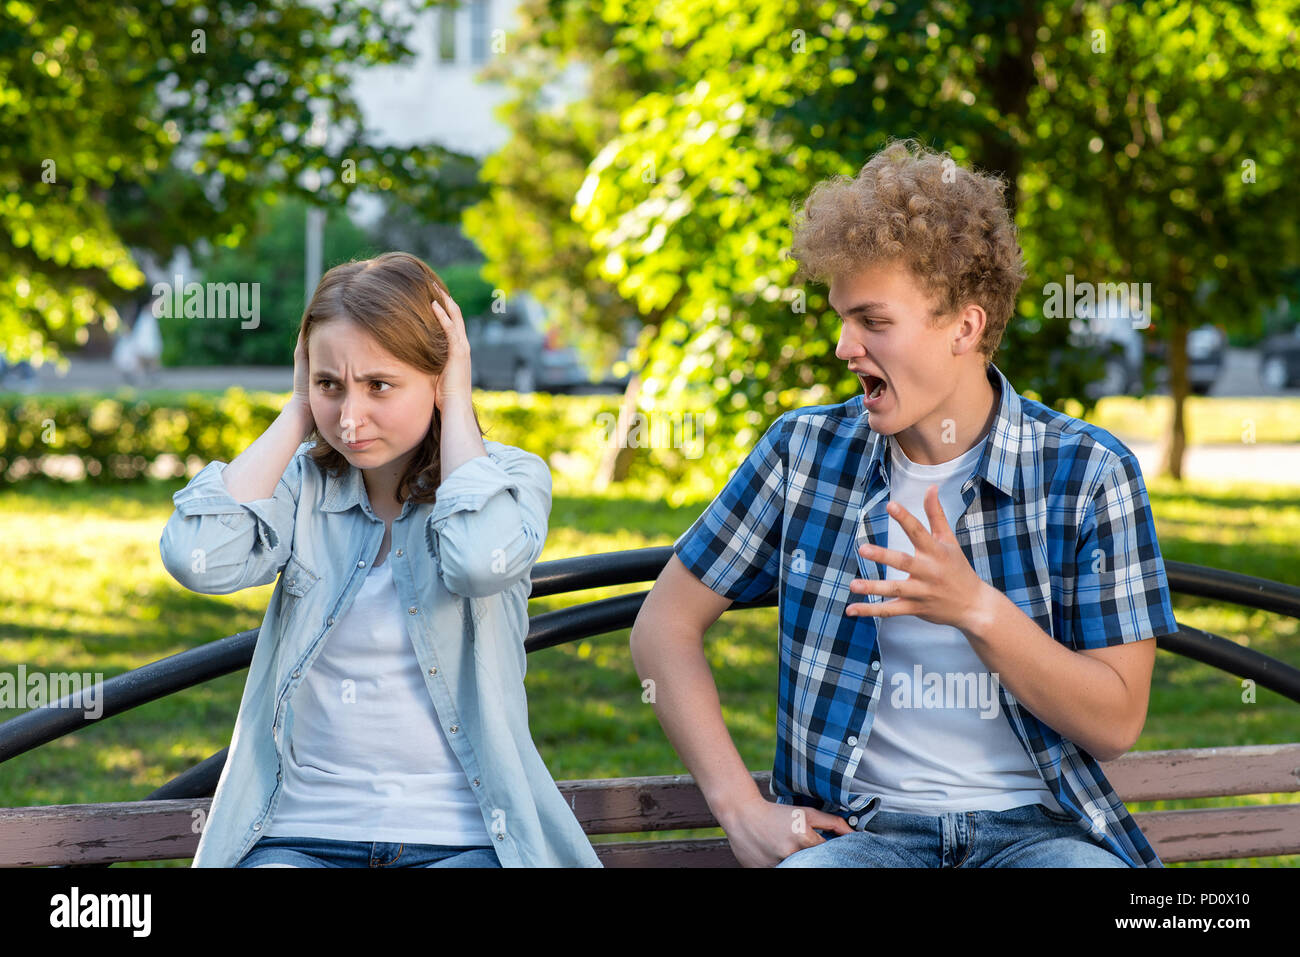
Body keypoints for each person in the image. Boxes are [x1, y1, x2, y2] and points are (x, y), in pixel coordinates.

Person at [629, 139, 1180, 868]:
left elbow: (1116, 720)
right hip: (863, 837)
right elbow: (662, 628)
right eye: (841, 318)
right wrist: (741, 808)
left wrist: (975, 608)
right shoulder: (804, 455)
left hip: (1042, 837)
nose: (843, 346)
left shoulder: (1086, 471)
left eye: (873, 322)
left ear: (965, 325)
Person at [159, 251, 600, 868]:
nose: (349, 417)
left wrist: (459, 407)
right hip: (298, 839)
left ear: (440, 376)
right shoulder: (301, 485)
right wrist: (294, 412)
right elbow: (199, 558)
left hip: (465, 840)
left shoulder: (507, 478)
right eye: (329, 384)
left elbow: (476, 561)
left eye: (379, 385)